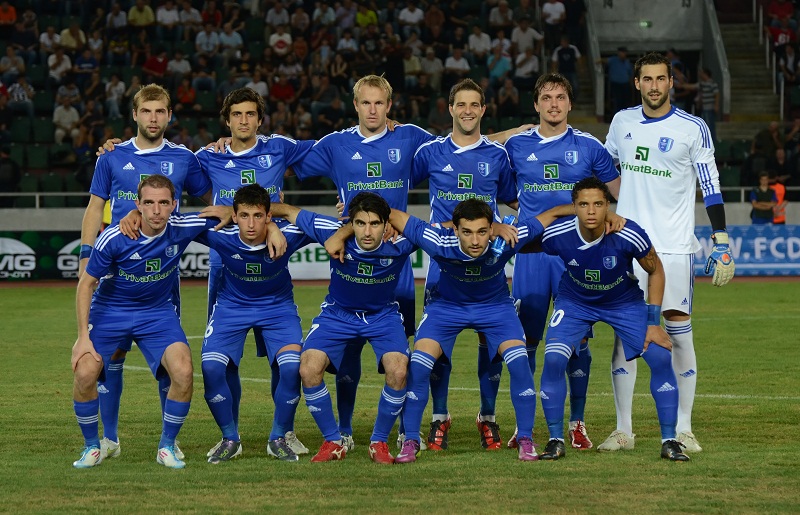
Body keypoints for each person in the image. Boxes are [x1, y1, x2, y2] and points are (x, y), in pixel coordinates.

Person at [603, 52, 735, 453]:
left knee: (678, 332)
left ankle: (683, 427)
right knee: (626, 336)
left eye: (662, 78)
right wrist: (617, 212)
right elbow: (606, 169)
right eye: (647, 79)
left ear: (671, 82)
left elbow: (710, 184)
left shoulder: (692, 127)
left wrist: (722, 239)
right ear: (637, 83)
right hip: (627, 248)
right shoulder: (622, 122)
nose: (655, 85)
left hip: (674, 248)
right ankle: (624, 429)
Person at [80, 84, 212, 461]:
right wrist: (86, 256)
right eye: (146, 111)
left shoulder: (185, 158)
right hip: (112, 270)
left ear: (170, 116)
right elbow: (95, 207)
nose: (153, 118)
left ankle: (168, 440)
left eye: (160, 112)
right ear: (135, 115)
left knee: (167, 362)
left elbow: (213, 198)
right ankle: (109, 438)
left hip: (160, 277)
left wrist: (223, 148)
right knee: (111, 358)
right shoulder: (112, 156)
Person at [390, 198, 575, 463]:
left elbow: (553, 213)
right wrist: (357, 222)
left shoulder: (508, 239)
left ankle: (525, 438)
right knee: (419, 364)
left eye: (481, 231)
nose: (475, 240)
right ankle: (410, 440)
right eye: (466, 232)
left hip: (495, 308)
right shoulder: (438, 240)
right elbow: (394, 213)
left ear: (492, 229)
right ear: (455, 230)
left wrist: (599, 213)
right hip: (447, 308)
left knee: (520, 363)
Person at [504, 72, 620, 450]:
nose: (553, 104)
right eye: (546, 98)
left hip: (577, 259)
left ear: (569, 104)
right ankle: (526, 427)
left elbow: (618, 193)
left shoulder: (589, 146)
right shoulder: (516, 145)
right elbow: (490, 172)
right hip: (531, 256)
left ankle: (577, 422)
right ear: (536, 105)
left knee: (578, 341)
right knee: (526, 341)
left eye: (560, 97)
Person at [195, 88, 314, 457]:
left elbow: (333, 151)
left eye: (250, 114)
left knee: (285, 357)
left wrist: (275, 218)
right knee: (223, 358)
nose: (243, 120)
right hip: (224, 269)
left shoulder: (280, 146)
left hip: (270, 260)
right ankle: (230, 433)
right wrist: (114, 147)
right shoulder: (207, 156)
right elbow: (162, 171)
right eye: (237, 115)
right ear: (226, 120)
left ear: (259, 120)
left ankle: (285, 430)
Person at [536, 177, 689, 462]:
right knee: (555, 359)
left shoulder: (629, 233)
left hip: (623, 302)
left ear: (608, 206)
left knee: (658, 356)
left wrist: (653, 322)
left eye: (598, 204)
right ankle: (555, 439)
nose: (591, 211)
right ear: (574, 207)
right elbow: (521, 241)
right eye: (583, 204)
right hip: (574, 302)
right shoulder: (556, 234)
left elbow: (655, 270)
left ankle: (670, 440)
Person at [71, 175, 218, 469]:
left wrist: (273, 229)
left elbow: (226, 213)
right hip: (111, 310)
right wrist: (82, 338)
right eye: (148, 203)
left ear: (174, 205)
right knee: (86, 372)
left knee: (183, 371)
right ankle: (92, 447)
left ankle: (167, 446)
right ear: (137, 205)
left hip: (156, 313)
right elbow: (86, 284)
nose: (156, 210)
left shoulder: (181, 228)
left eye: (164, 203)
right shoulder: (115, 237)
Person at [409, 78, 516, 451]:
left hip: (487, 263)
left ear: (483, 110)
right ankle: (440, 417)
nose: (468, 111)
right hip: (443, 264)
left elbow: (513, 198)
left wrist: (505, 222)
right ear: (450, 108)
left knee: (493, 346)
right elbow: (394, 184)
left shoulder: (498, 156)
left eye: (475, 105)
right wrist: (354, 201)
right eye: (461, 105)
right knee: (438, 346)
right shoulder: (431, 152)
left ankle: (488, 417)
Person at [270, 193, 416, 464]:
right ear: (351, 223)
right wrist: (265, 223)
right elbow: (288, 211)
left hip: (382, 316)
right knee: (308, 367)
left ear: (387, 224)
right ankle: (333, 440)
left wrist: (497, 228)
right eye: (360, 224)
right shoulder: (332, 231)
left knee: (398, 370)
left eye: (375, 224)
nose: (367, 231)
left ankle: (379, 442)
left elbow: (443, 228)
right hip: (338, 314)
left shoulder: (401, 241)